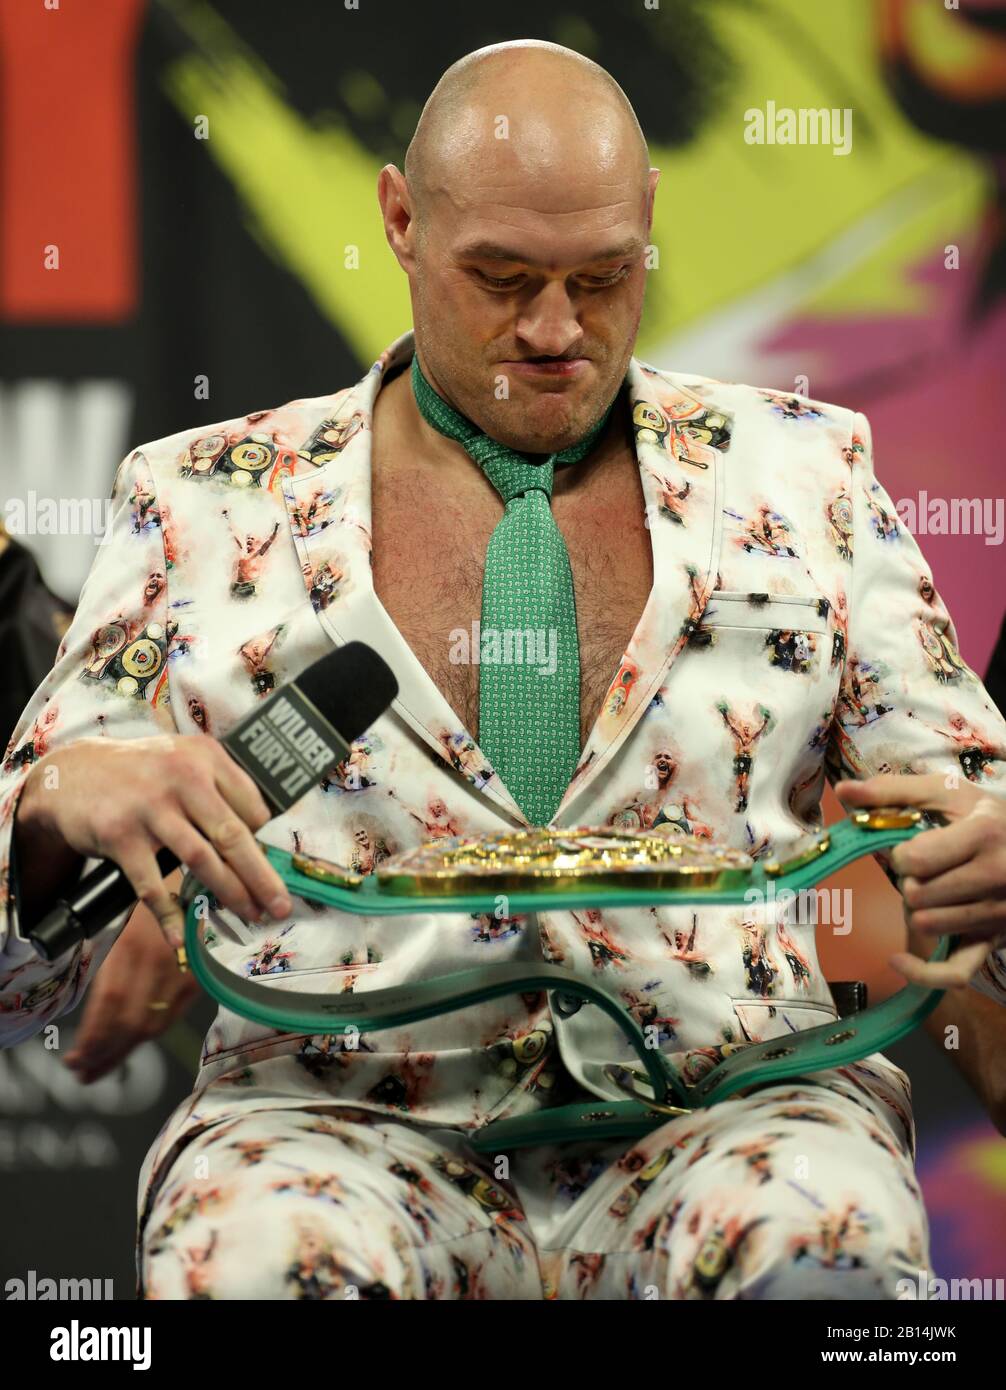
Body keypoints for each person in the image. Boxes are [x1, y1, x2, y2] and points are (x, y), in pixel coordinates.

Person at [3, 40, 1006, 1301]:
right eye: (502, 278)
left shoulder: (805, 475)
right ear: (399, 218)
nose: (553, 329)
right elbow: (15, 986)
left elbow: (973, 824)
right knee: (251, 1261)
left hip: (735, 1110)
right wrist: (47, 815)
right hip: (330, 1128)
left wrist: (991, 853)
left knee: (829, 1244)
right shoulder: (202, 501)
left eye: (600, 277)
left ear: (647, 222)